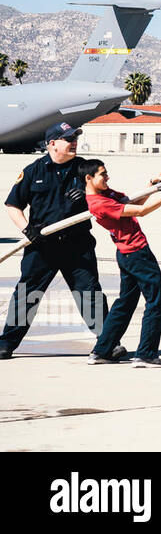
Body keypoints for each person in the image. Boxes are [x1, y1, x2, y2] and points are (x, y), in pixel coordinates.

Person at [0, 122, 117, 360]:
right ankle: (6, 343)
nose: (73, 142)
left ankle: (108, 344)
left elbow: (105, 194)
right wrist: (27, 230)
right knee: (27, 294)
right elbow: (13, 205)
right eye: (67, 139)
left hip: (77, 244)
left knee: (90, 294)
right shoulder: (33, 171)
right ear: (52, 144)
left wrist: (86, 197)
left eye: (75, 138)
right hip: (42, 246)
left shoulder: (85, 168)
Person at [79, 159, 161, 368]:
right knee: (155, 302)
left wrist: (153, 186)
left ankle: (102, 350)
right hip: (137, 254)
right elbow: (140, 212)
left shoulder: (105, 193)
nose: (107, 177)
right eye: (102, 174)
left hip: (127, 254)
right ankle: (146, 354)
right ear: (88, 178)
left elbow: (132, 203)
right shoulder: (99, 203)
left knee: (125, 303)